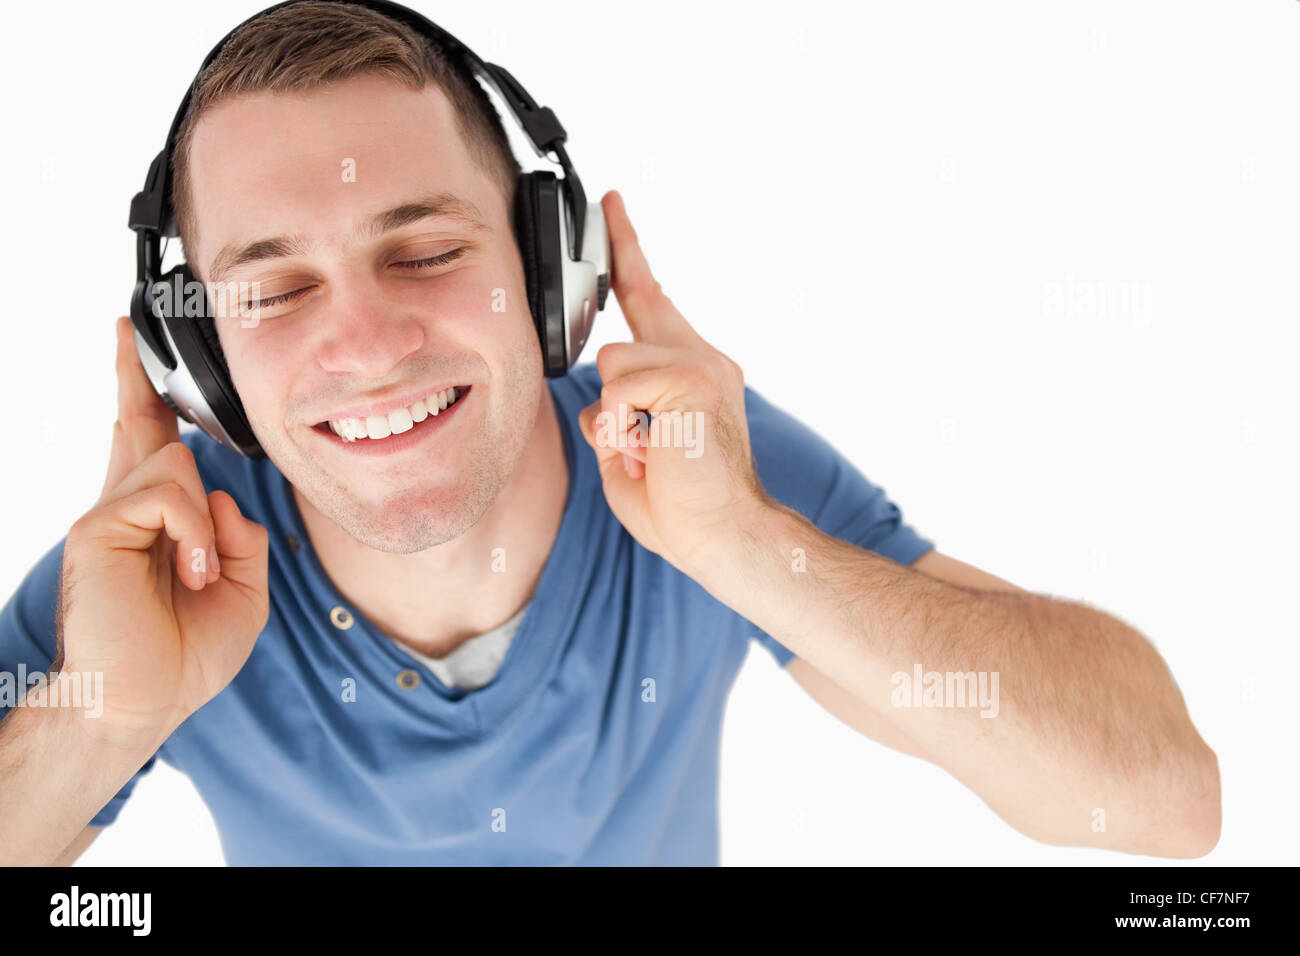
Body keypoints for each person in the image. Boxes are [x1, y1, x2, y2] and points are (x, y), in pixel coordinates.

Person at [0, 1, 1219, 865]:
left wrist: (743, 546)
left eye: (424, 251)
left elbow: (1165, 807)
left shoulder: (691, 466)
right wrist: (102, 712)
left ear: (553, 275)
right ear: (195, 357)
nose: (367, 345)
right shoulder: (146, 574)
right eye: (271, 290)